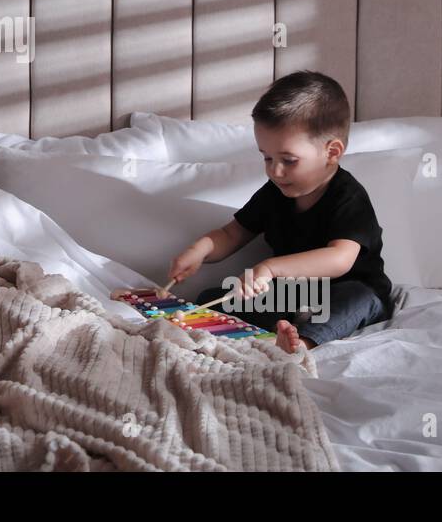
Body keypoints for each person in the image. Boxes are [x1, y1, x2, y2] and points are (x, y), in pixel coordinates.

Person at [167, 71, 395, 353]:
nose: (275, 171)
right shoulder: (274, 194)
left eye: (289, 160)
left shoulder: (348, 196)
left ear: (332, 152)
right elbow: (232, 233)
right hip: (296, 297)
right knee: (212, 297)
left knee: (357, 298)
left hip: (351, 290)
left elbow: (340, 259)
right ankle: (279, 328)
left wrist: (271, 268)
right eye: (267, 157)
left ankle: (302, 343)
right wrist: (199, 250)